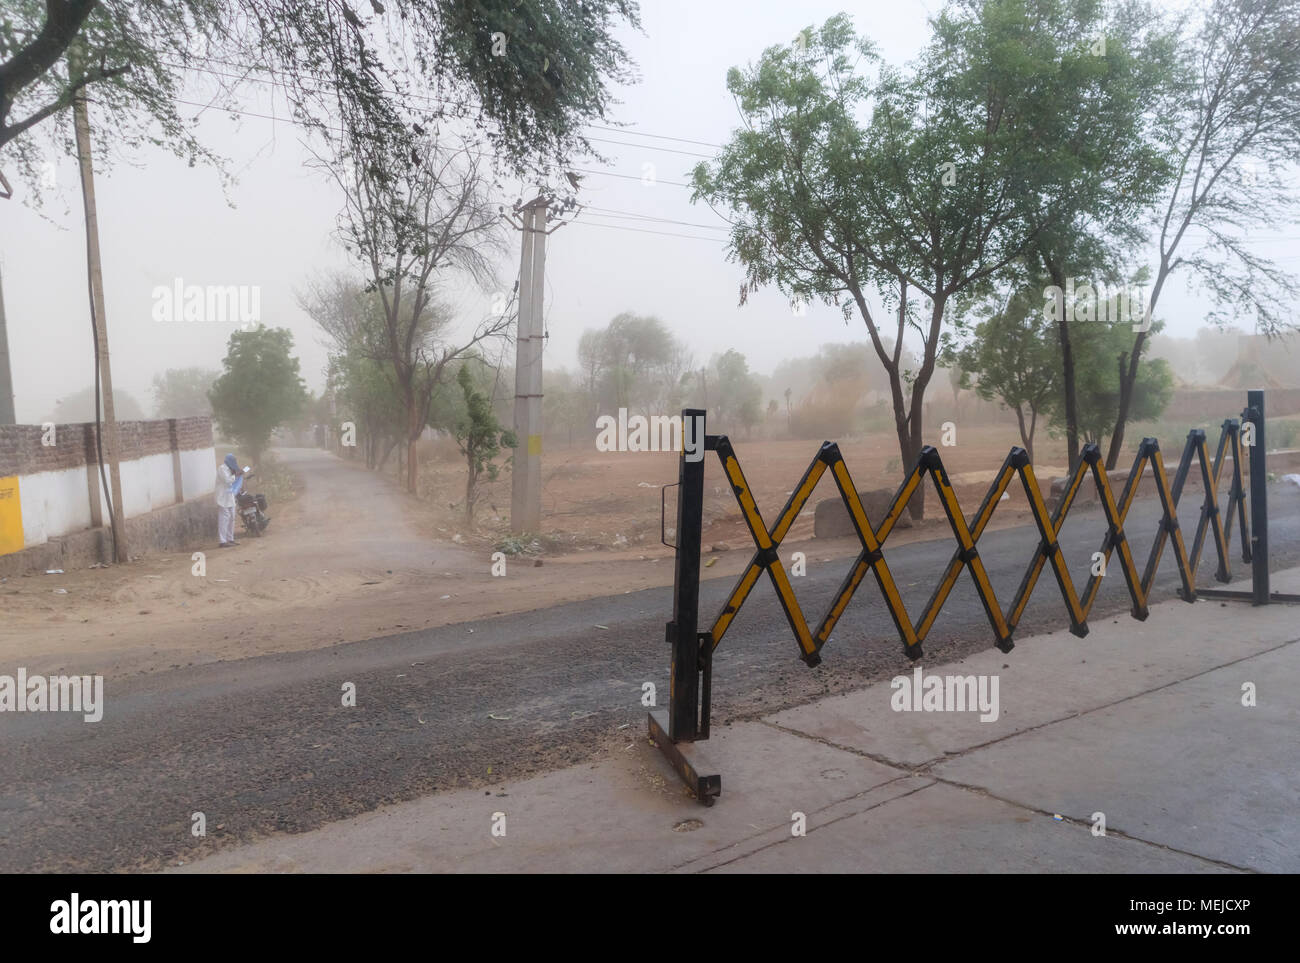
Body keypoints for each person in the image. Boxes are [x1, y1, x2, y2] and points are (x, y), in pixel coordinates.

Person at [216, 453, 245, 548]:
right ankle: (222, 541)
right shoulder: (222, 468)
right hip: (222, 497)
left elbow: (235, 482)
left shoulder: (232, 469)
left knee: (232, 517)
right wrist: (235, 474)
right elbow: (227, 481)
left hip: (230, 497)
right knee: (224, 518)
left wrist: (238, 474)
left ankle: (230, 539)